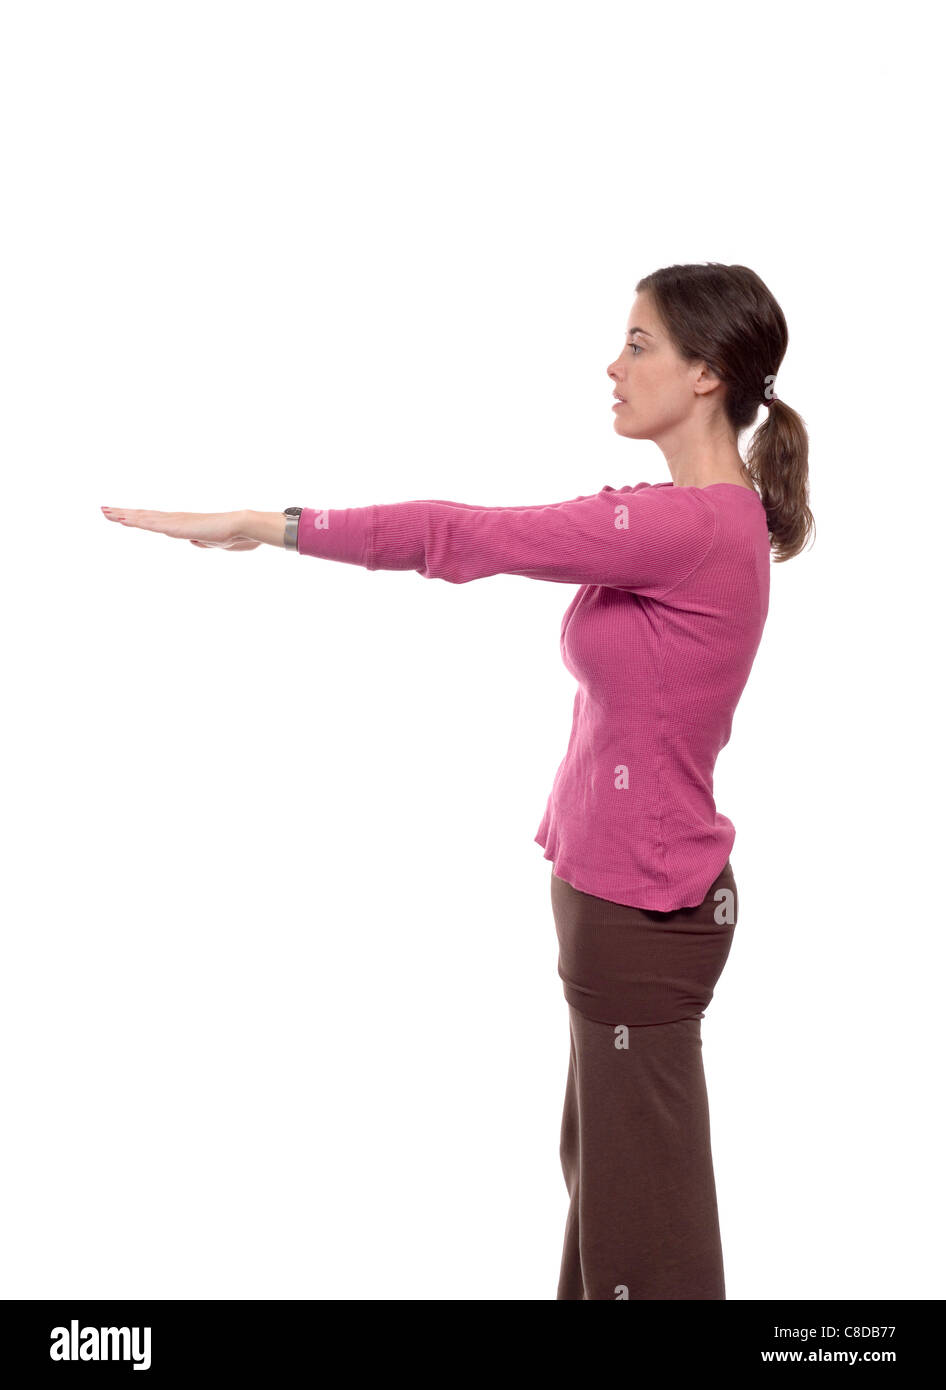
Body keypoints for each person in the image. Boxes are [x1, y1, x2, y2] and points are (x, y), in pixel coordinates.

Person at [101, 261, 814, 1300]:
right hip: (623, 904)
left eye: (639, 343)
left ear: (706, 373)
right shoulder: (683, 516)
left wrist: (270, 525)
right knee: (610, 1200)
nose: (611, 365)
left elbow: (465, 536)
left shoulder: (684, 526)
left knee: (642, 1243)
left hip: (640, 913)